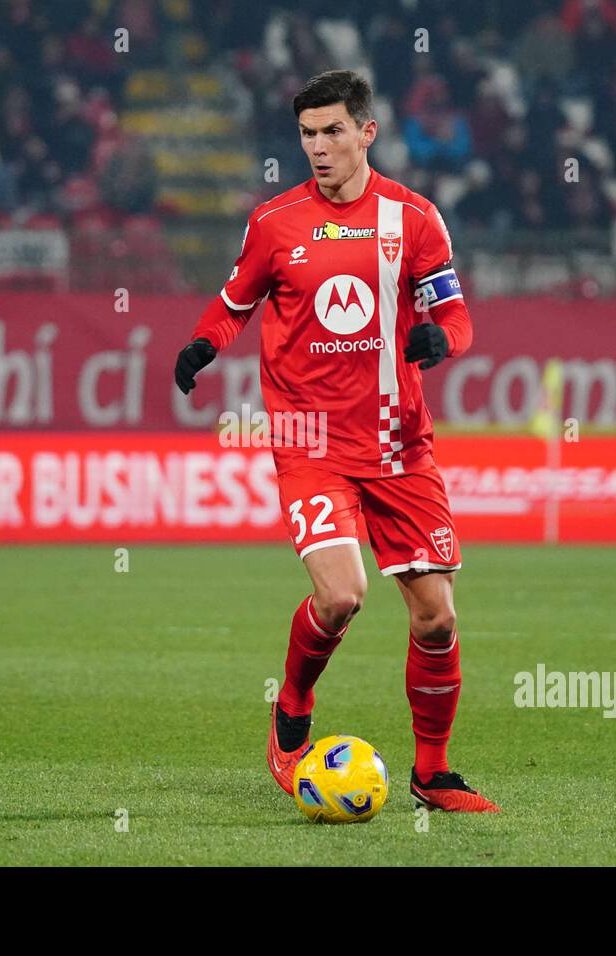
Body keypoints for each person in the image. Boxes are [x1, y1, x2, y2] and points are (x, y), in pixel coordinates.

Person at [173, 70, 498, 812]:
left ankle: (433, 772)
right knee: (342, 593)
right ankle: (291, 709)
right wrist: (202, 345)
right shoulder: (274, 221)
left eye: (332, 132)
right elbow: (233, 305)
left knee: (437, 614)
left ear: (366, 132)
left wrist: (436, 340)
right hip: (308, 438)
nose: (318, 148)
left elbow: (458, 319)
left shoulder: (415, 219)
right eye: (307, 135)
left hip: (398, 444)